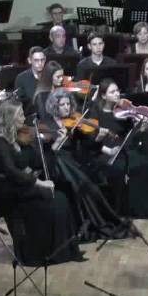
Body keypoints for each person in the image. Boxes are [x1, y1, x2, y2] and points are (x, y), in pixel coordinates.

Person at [0, 101, 83, 265]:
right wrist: (38, 183)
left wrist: (56, 145)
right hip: (9, 191)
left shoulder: (19, 137)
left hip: (23, 185)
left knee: (62, 197)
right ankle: (39, 252)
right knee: (54, 200)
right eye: (20, 115)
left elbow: (38, 163)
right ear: (9, 118)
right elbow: (11, 171)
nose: (24, 118)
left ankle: (60, 250)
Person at [40, 90, 131, 243]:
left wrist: (99, 137)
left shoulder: (75, 123)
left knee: (89, 187)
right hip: (55, 165)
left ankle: (100, 221)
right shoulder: (46, 124)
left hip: (73, 164)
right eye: (62, 105)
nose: (67, 107)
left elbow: (89, 145)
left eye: (68, 104)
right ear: (54, 106)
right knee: (78, 183)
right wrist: (57, 143)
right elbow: (44, 154)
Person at [94, 79, 148, 219]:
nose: (117, 94)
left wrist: (143, 127)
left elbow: (132, 135)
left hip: (124, 149)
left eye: (117, 90)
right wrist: (108, 149)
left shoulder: (123, 111)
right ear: (103, 95)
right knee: (119, 168)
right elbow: (93, 141)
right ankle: (122, 210)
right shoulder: (96, 112)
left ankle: (143, 210)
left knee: (145, 164)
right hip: (105, 152)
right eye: (112, 92)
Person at [15, 47, 47, 112]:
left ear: (45, 59)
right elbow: (18, 102)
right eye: (36, 60)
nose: (40, 63)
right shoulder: (21, 78)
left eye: (42, 60)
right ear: (29, 60)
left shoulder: (50, 76)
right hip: (29, 114)